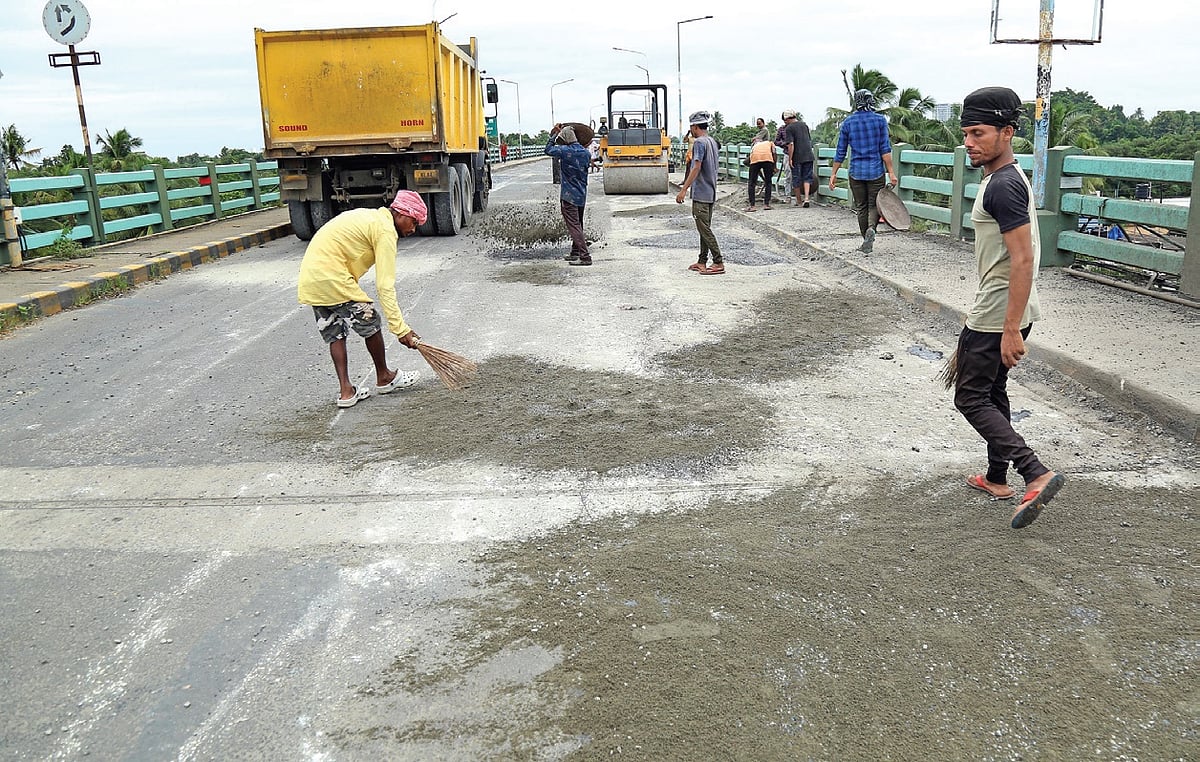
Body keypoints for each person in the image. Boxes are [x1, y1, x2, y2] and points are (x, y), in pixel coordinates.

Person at [954, 85, 1065, 529]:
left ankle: (1034, 472)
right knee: (993, 391)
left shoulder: (1002, 186)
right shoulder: (1008, 178)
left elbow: (1024, 258)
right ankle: (996, 478)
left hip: (999, 311)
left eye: (979, 133)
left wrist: (1009, 328)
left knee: (970, 396)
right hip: (1011, 308)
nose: (969, 143)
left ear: (1008, 132)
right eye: (965, 134)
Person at [297, 190, 428, 409]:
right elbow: (385, 285)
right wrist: (400, 329)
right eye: (413, 222)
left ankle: (346, 392)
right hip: (332, 277)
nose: (413, 229)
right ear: (401, 214)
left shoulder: (372, 217)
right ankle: (384, 376)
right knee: (371, 321)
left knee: (334, 332)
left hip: (312, 278)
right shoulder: (385, 230)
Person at [828, 89, 898, 253]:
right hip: (875, 171)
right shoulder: (880, 121)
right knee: (874, 205)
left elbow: (840, 151)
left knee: (861, 206)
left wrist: (833, 174)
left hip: (856, 172)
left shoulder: (848, 123)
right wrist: (891, 172)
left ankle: (865, 240)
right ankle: (871, 229)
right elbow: (885, 150)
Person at [675, 109, 723, 275]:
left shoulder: (699, 143)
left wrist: (683, 189)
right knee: (704, 227)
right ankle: (702, 260)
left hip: (701, 192)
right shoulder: (712, 141)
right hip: (711, 191)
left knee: (704, 228)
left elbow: (696, 167)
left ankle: (718, 261)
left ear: (695, 127)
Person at [544, 124, 593, 265]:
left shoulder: (564, 151)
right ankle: (575, 252)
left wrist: (554, 135)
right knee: (578, 224)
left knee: (573, 226)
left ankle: (585, 257)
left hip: (568, 196)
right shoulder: (586, 153)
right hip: (581, 194)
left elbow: (547, 150)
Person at [780, 110, 815, 207]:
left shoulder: (789, 128)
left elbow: (791, 144)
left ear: (787, 119)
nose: (785, 122)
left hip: (797, 156)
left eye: (785, 120)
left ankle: (799, 201)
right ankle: (807, 198)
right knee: (807, 177)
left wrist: (790, 158)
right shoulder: (804, 125)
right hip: (808, 155)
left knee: (796, 178)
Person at [746, 136, 777, 211]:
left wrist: (757, 172)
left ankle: (752, 206)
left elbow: (750, 159)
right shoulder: (770, 143)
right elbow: (774, 153)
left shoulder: (754, 146)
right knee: (768, 182)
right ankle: (766, 204)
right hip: (768, 160)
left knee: (751, 183)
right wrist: (774, 167)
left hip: (755, 160)